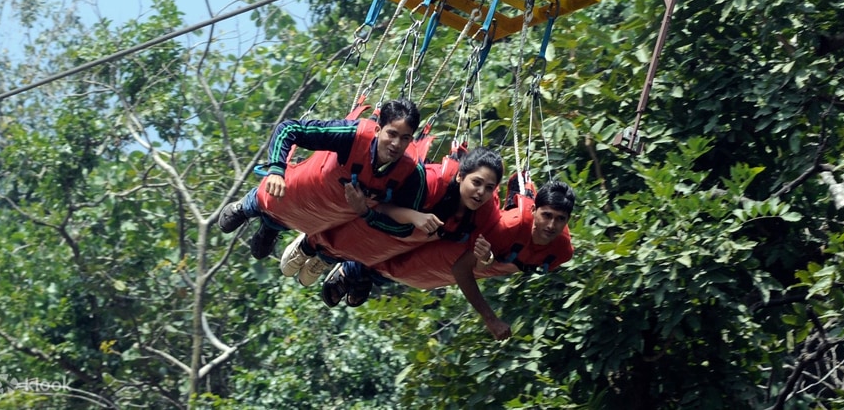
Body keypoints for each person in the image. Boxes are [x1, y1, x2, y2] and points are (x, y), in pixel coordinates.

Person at [323, 179, 576, 340]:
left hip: (484, 260)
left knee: (415, 276)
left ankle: (362, 273)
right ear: (534, 211)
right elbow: (461, 269)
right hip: (459, 249)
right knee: (409, 259)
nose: (551, 225)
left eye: (560, 219)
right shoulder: (510, 227)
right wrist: (491, 319)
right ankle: (350, 266)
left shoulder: (562, 251)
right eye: (547, 215)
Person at [214, 99, 426, 266]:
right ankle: (248, 206)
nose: (396, 144)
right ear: (378, 130)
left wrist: (366, 213)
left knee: (282, 234)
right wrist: (276, 170)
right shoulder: (351, 136)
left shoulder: (411, 172)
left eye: (405, 138)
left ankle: (271, 227)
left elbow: (403, 229)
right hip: (298, 190)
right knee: (275, 200)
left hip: (323, 217)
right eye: (392, 134)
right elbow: (288, 130)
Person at [279, 146, 505, 288]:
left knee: (370, 250)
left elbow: (481, 257)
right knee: (359, 233)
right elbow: (383, 206)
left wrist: (486, 258)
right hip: (375, 220)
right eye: (476, 183)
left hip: (392, 242)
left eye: (488, 188)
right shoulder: (430, 182)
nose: (480, 192)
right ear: (460, 177)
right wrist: (415, 216)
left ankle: (325, 257)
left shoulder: (480, 213)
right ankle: (308, 244)